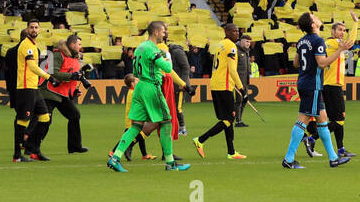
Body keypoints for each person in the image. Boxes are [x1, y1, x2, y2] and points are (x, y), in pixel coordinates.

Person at [107, 21, 191, 171]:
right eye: (164, 31)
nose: (165, 34)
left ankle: (115, 157)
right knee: (166, 121)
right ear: (156, 32)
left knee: (136, 126)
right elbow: (167, 67)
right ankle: (170, 163)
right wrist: (167, 57)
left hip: (139, 87)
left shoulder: (140, 47)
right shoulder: (153, 49)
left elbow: (136, 69)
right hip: (151, 87)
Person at [281, 13, 352, 169]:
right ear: (313, 25)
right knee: (303, 120)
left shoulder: (301, 41)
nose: (317, 18)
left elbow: (295, 63)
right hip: (312, 85)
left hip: (305, 82)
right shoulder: (318, 41)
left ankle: (333, 158)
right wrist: (340, 50)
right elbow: (322, 63)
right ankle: (288, 158)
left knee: (323, 120)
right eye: (314, 17)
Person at [306, 13, 359, 160]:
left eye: (344, 30)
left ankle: (341, 149)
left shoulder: (335, 44)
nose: (342, 33)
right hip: (332, 86)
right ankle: (311, 139)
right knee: (339, 120)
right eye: (340, 30)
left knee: (336, 119)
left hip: (332, 85)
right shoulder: (333, 43)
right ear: (333, 32)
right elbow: (351, 41)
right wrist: (356, 23)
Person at [192, 24, 246, 160]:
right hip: (224, 86)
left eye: (238, 31)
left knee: (226, 118)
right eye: (234, 31)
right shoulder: (231, 46)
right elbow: (232, 69)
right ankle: (201, 140)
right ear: (227, 32)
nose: (237, 33)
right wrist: (242, 88)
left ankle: (231, 151)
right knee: (229, 119)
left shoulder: (220, 45)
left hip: (216, 84)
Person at [11, 18, 53, 163]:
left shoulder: (34, 46)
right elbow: (32, 66)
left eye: (36, 27)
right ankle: (17, 155)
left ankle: (34, 149)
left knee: (45, 117)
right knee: (23, 120)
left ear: (39, 29)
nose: (34, 30)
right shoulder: (26, 45)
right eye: (31, 27)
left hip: (33, 88)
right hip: (25, 88)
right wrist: (48, 77)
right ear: (27, 29)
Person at [38, 34, 89, 154]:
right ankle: (32, 145)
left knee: (74, 115)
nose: (80, 47)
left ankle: (75, 147)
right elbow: (53, 73)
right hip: (49, 91)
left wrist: (74, 91)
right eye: (79, 44)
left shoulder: (74, 58)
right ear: (72, 44)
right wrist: (72, 76)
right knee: (45, 120)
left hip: (61, 93)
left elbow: (69, 77)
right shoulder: (58, 54)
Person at [234, 33, 254, 127]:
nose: (248, 44)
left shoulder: (247, 51)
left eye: (249, 42)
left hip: (245, 81)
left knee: (244, 100)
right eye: (246, 41)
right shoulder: (235, 50)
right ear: (241, 41)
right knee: (239, 100)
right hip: (238, 81)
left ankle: (239, 119)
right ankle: (237, 121)